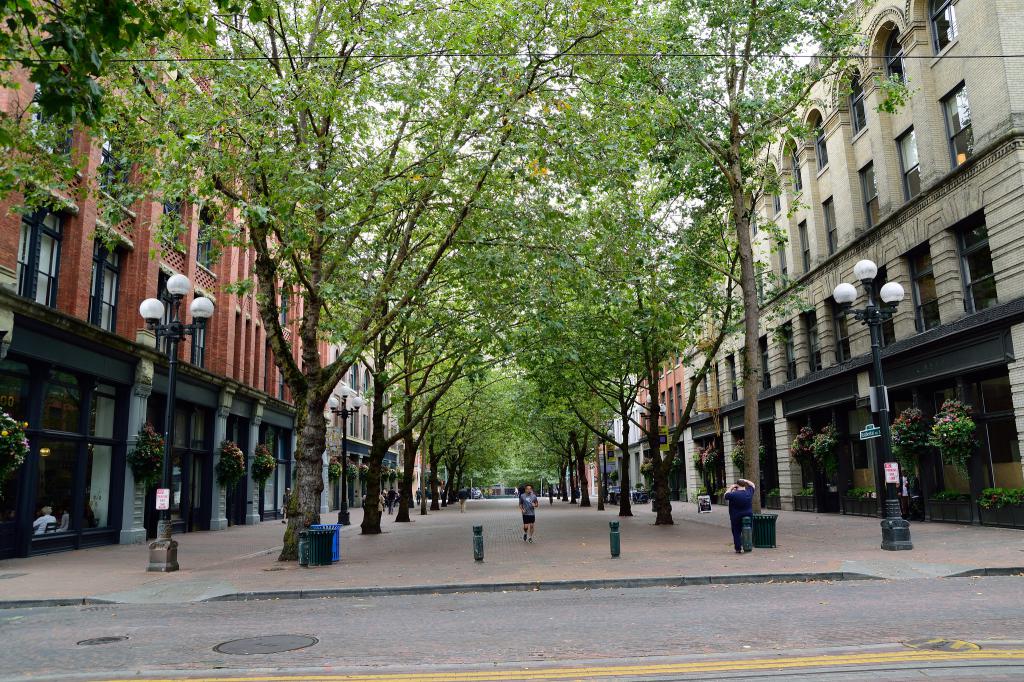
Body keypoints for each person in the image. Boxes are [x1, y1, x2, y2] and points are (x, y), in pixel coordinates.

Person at [724, 479, 756, 554]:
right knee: (748, 530)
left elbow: (725, 496)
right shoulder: (749, 492)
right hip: (748, 514)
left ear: (737, 485)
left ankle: (738, 548)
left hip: (736, 515)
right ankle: (748, 545)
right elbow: (753, 485)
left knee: (736, 532)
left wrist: (731, 487)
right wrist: (745, 480)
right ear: (744, 485)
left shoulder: (733, 494)